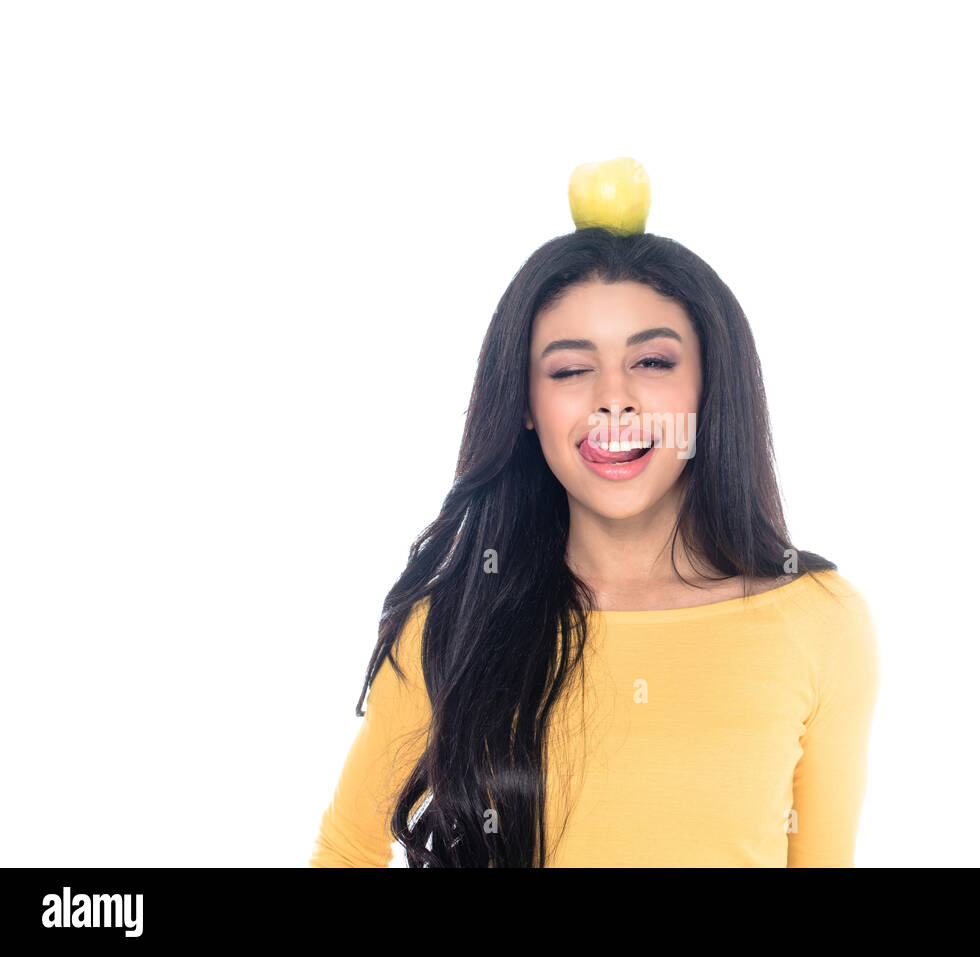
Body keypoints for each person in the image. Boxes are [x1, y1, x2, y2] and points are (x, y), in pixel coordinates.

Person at [309, 161, 880, 867]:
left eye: (653, 362)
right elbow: (344, 850)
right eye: (571, 370)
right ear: (524, 406)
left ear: (711, 387)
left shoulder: (819, 620)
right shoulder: (454, 623)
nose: (614, 400)